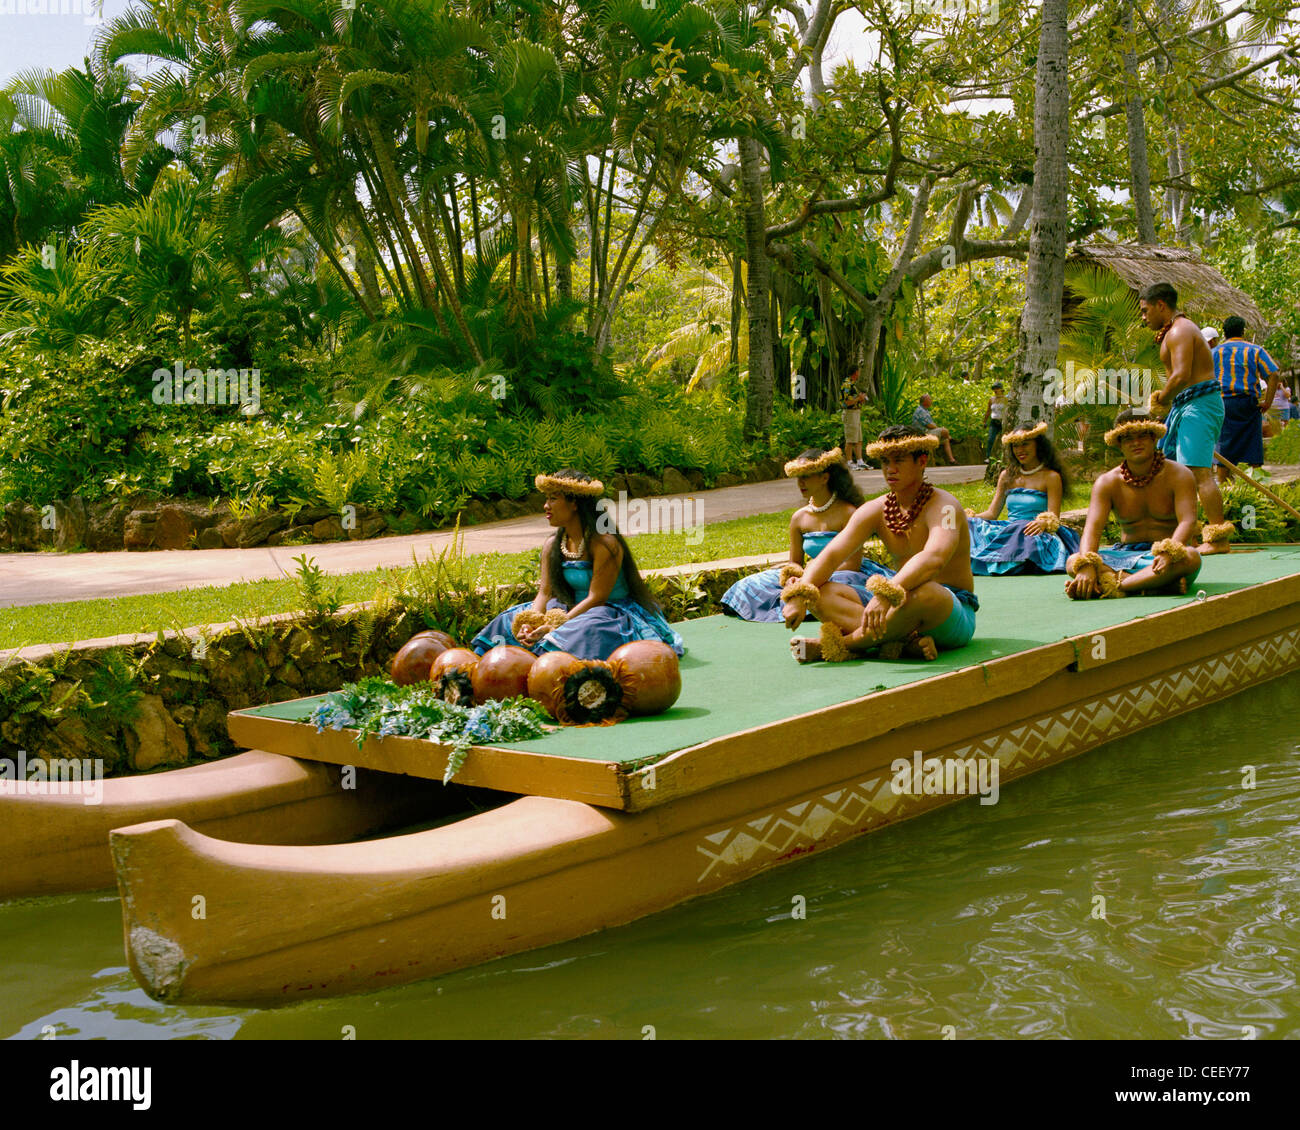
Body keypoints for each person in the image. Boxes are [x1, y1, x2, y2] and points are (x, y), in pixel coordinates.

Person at [784, 425, 977, 663]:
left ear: (922, 461)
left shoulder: (946, 506)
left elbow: (934, 557)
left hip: (947, 610)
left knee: (925, 592)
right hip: (898, 609)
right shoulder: (875, 509)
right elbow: (832, 554)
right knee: (819, 593)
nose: (890, 469)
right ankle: (904, 644)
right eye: (885, 461)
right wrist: (800, 594)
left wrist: (886, 594)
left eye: (899, 460)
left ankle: (841, 646)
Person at [471, 469, 684, 659]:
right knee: (509, 620)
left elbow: (596, 598)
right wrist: (531, 621)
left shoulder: (605, 544)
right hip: (569, 608)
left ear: (574, 504)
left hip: (607, 613)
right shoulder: (552, 545)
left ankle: (543, 664)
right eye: (546, 499)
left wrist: (553, 625)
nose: (546, 506)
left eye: (554, 499)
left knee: (583, 628)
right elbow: (544, 594)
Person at [719, 448, 894, 621]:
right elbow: (795, 562)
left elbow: (852, 564)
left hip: (846, 573)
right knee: (751, 583)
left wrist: (813, 575)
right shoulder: (799, 517)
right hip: (807, 573)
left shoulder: (848, 512)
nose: (800, 483)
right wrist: (794, 576)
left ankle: (813, 604)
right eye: (798, 477)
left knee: (827, 587)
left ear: (824, 478)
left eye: (806, 476)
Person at [1065, 409, 1202, 599]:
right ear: (1119, 444)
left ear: (1154, 438)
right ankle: (1149, 586)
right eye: (1128, 438)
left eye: (1142, 436)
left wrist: (1168, 552)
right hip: (1123, 557)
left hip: (1164, 559)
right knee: (1073, 561)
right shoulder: (1107, 482)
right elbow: (1092, 529)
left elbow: (1188, 521)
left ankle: (1116, 584)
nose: (1136, 443)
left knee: (1190, 557)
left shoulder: (1180, 475)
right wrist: (1086, 565)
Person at [1138, 281, 1232, 553]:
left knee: (1198, 473)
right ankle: (1186, 536)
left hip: (1199, 405)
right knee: (1175, 473)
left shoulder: (1180, 330)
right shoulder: (1175, 331)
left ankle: (1218, 539)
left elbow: (1180, 375)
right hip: (1188, 406)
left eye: (1145, 311)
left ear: (1161, 305)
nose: (1144, 318)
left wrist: (1161, 399)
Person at [966, 422, 1080, 574]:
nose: (1020, 450)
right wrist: (969, 517)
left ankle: (1010, 560)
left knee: (1026, 535)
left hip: (1036, 532)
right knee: (968, 525)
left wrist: (1042, 523)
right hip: (1011, 529)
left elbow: (1054, 517)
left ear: (1038, 445)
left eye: (1025, 444)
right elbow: (992, 513)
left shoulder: (1051, 477)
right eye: (1015, 446)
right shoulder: (1006, 476)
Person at [1212, 315, 1280, 482]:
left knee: (1223, 445)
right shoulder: (1255, 350)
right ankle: (1257, 487)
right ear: (1243, 331)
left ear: (1224, 332)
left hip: (1221, 403)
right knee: (1253, 447)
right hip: (1248, 404)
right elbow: (1274, 374)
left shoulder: (1214, 352)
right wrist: (1268, 402)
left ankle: (1224, 487)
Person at [911, 394, 956, 464]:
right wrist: (940, 429)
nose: (931, 401)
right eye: (929, 399)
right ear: (924, 402)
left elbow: (931, 424)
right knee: (945, 431)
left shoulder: (925, 410)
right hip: (923, 434)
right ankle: (951, 439)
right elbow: (929, 425)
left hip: (928, 432)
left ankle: (952, 460)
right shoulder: (920, 411)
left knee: (945, 440)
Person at [840, 366, 868, 469]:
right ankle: (849, 462)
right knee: (850, 439)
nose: (859, 373)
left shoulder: (853, 385)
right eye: (859, 371)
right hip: (850, 413)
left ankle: (860, 461)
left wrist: (861, 399)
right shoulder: (846, 384)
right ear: (855, 372)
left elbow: (855, 399)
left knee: (858, 439)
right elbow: (845, 403)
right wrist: (858, 399)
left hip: (856, 413)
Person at [984, 381, 1007, 459]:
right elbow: (988, 411)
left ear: (1001, 389)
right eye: (994, 389)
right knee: (991, 439)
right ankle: (988, 457)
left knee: (1004, 440)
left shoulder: (1006, 399)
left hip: (1003, 422)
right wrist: (984, 421)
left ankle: (1004, 457)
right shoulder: (991, 399)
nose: (995, 390)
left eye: (997, 388)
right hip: (994, 421)